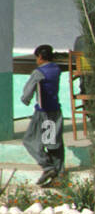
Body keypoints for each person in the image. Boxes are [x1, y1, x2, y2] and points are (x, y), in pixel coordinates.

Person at [20, 44, 64, 187]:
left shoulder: (38, 72)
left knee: (30, 140)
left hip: (42, 113)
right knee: (52, 143)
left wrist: (25, 100)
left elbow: (27, 92)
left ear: (40, 57)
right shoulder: (56, 69)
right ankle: (57, 172)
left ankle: (47, 166)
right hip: (55, 111)